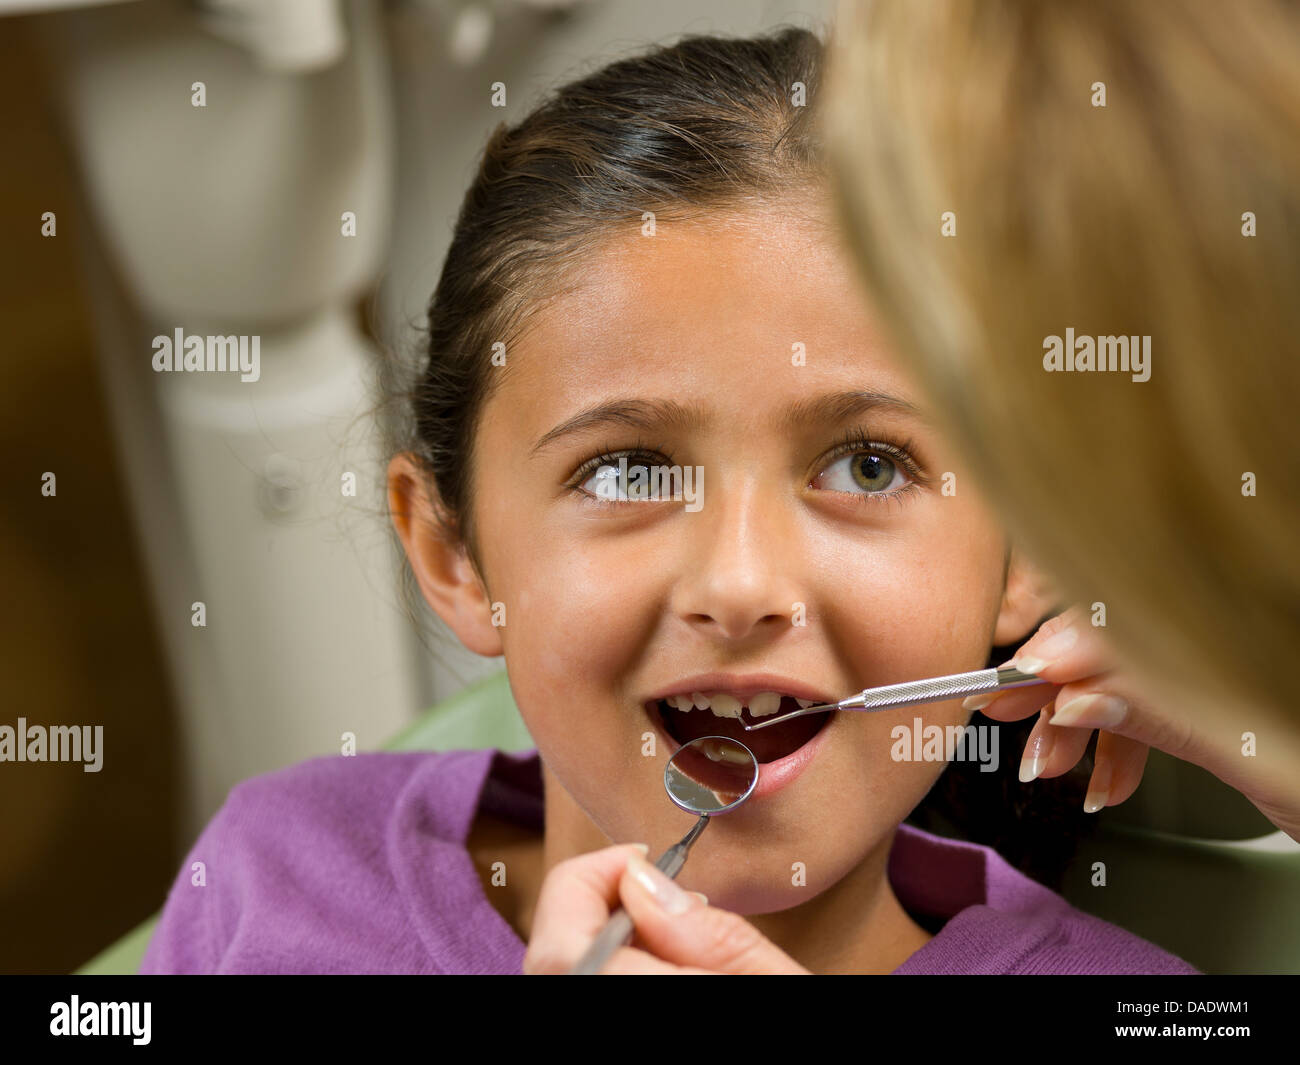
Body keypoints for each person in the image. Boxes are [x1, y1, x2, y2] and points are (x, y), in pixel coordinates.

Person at [140, 27, 1195, 975]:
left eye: (868, 465)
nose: (739, 587)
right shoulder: (273, 877)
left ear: (1028, 556)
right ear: (456, 554)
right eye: (627, 471)